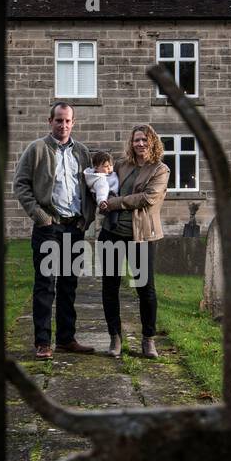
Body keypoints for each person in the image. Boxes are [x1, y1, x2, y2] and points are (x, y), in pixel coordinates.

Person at [12, 101, 97, 359]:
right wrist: (40, 216)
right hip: (49, 228)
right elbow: (21, 184)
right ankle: (42, 342)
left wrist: (87, 219)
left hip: (74, 228)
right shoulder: (36, 149)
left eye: (67, 121)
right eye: (58, 120)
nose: (63, 125)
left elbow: (93, 187)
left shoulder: (82, 152)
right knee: (46, 286)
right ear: (50, 122)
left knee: (69, 286)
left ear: (73, 123)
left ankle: (66, 339)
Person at [98, 124, 170, 359]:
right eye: (137, 140)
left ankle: (148, 339)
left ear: (153, 142)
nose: (140, 144)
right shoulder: (120, 165)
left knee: (145, 289)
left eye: (145, 140)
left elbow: (148, 198)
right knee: (110, 287)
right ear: (131, 142)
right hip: (112, 233)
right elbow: (103, 185)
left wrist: (116, 203)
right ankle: (114, 338)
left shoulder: (160, 170)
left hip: (141, 236)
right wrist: (103, 199)